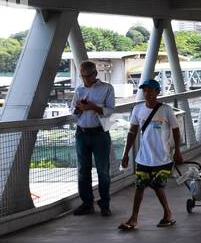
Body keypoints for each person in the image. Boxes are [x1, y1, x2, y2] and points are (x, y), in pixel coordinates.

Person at [118, 79, 183, 230]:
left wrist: (178, 151)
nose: (147, 93)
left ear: (157, 92)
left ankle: (167, 213)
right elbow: (132, 132)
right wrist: (126, 153)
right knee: (139, 187)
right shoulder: (138, 109)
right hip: (144, 157)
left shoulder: (166, 110)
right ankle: (133, 219)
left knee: (157, 185)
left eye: (150, 90)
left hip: (163, 157)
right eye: (144, 90)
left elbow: (176, 130)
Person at [71, 60, 115, 217]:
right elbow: (73, 114)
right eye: (82, 76)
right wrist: (79, 108)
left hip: (100, 133)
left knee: (103, 171)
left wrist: (92, 107)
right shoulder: (79, 90)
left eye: (88, 76)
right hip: (81, 133)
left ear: (95, 74)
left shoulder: (107, 88)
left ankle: (105, 203)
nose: (85, 79)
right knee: (83, 170)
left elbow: (109, 111)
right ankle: (87, 203)